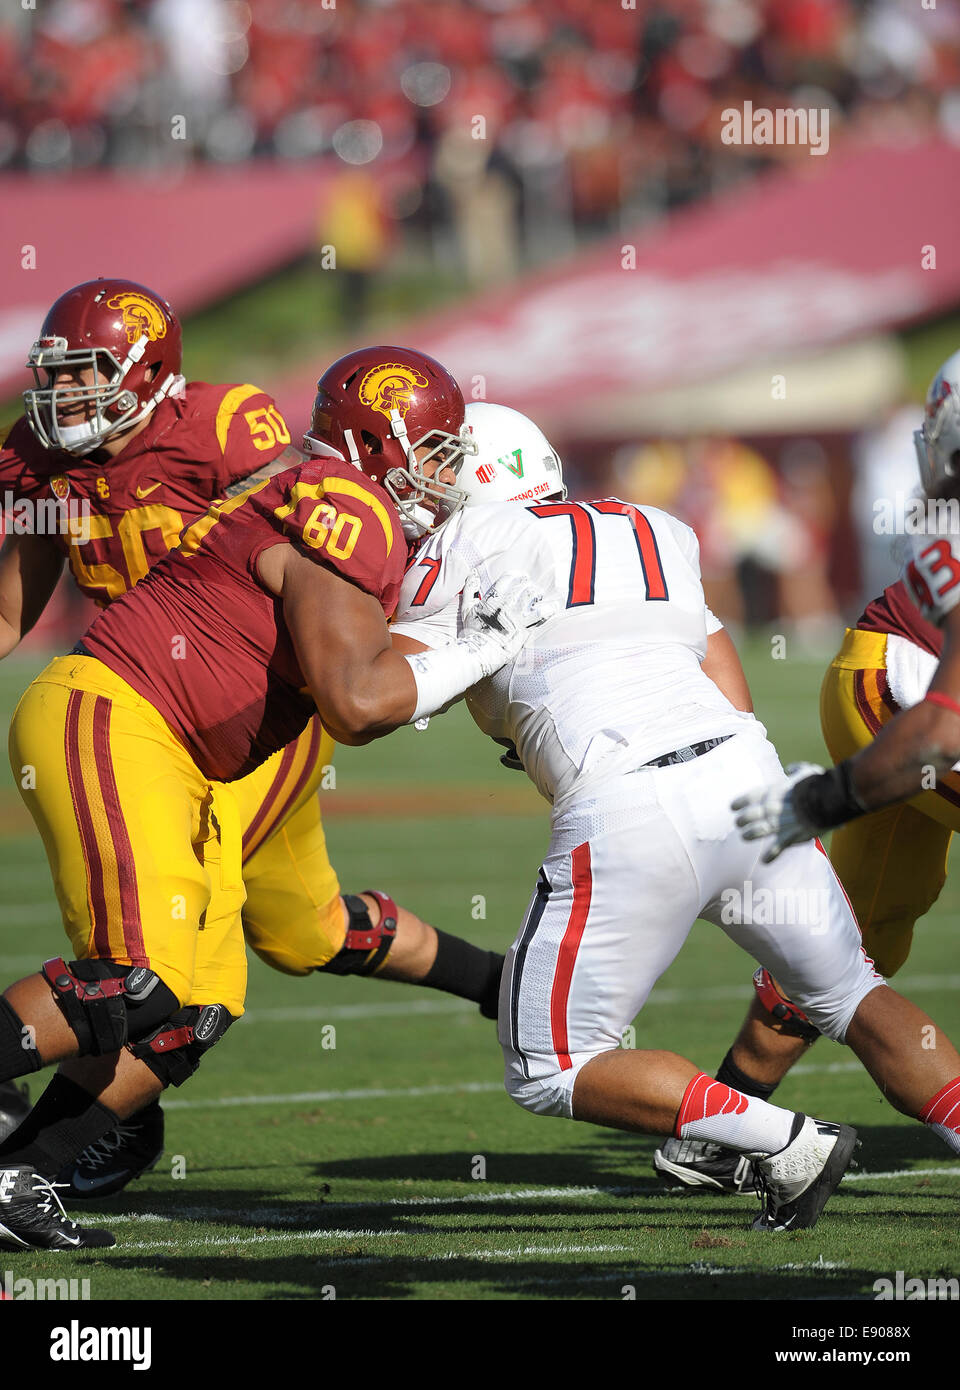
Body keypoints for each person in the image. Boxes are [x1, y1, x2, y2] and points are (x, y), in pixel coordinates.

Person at [0, 346, 548, 1251]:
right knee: (135, 982)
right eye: (435, 450)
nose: (445, 475)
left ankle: (22, 1171)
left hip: (190, 756)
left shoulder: (342, 501)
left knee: (193, 1010)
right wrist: (484, 647)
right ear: (378, 442)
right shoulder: (349, 503)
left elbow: (373, 675)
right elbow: (357, 704)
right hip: (122, 715)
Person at [386, 400, 960, 1233]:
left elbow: (379, 697)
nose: (421, 496)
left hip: (629, 800)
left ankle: (785, 1141)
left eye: (439, 475)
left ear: (476, 478)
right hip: (748, 777)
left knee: (549, 1063)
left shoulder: (463, 543)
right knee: (848, 993)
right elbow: (726, 677)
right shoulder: (649, 526)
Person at [655, 350, 960, 1193]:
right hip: (899, 692)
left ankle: (723, 1123)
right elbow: (943, 719)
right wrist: (826, 798)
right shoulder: (946, 525)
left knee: (854, 933)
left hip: (918, 699)